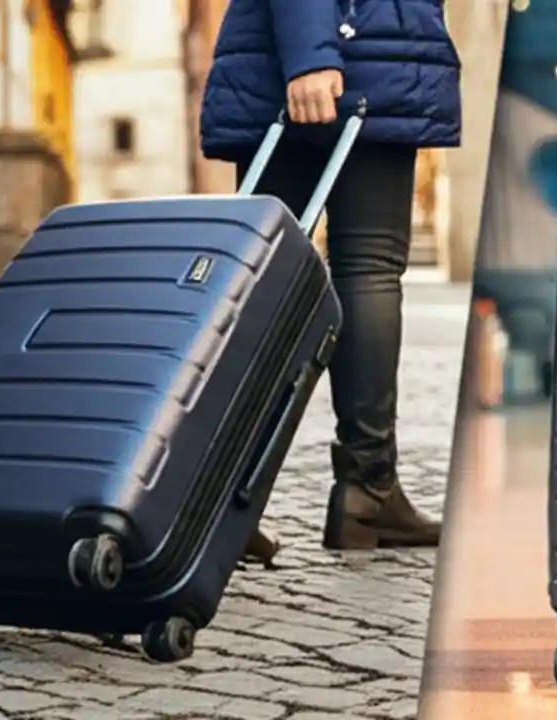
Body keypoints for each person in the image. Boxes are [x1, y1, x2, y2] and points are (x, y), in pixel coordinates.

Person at [201, 0, 461, 553]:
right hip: (345, 56)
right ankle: (365, 489)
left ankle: (219, 504)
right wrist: (309, 58)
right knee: (347, 271)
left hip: (321, 51)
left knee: (270, 276)